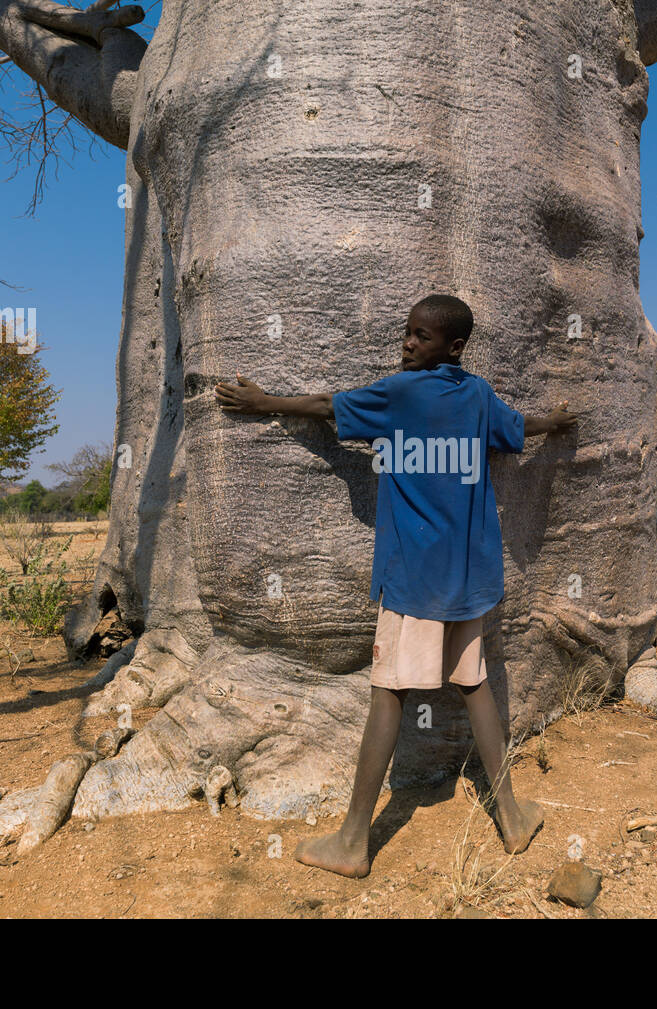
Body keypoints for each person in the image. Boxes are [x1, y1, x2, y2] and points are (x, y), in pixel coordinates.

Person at [213, 294, 578, 878]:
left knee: (390, 692)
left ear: (452, 347)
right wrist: (554, 424)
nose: (408, 343)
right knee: (474, 683)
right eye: (407, 333)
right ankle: (510, 815)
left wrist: (263, 402)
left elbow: (325, 407)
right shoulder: (479, 396)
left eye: (421, 337)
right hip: (471, 580)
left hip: (415, 582)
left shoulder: (401, 393)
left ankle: (354, 841)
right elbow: (517, 429)